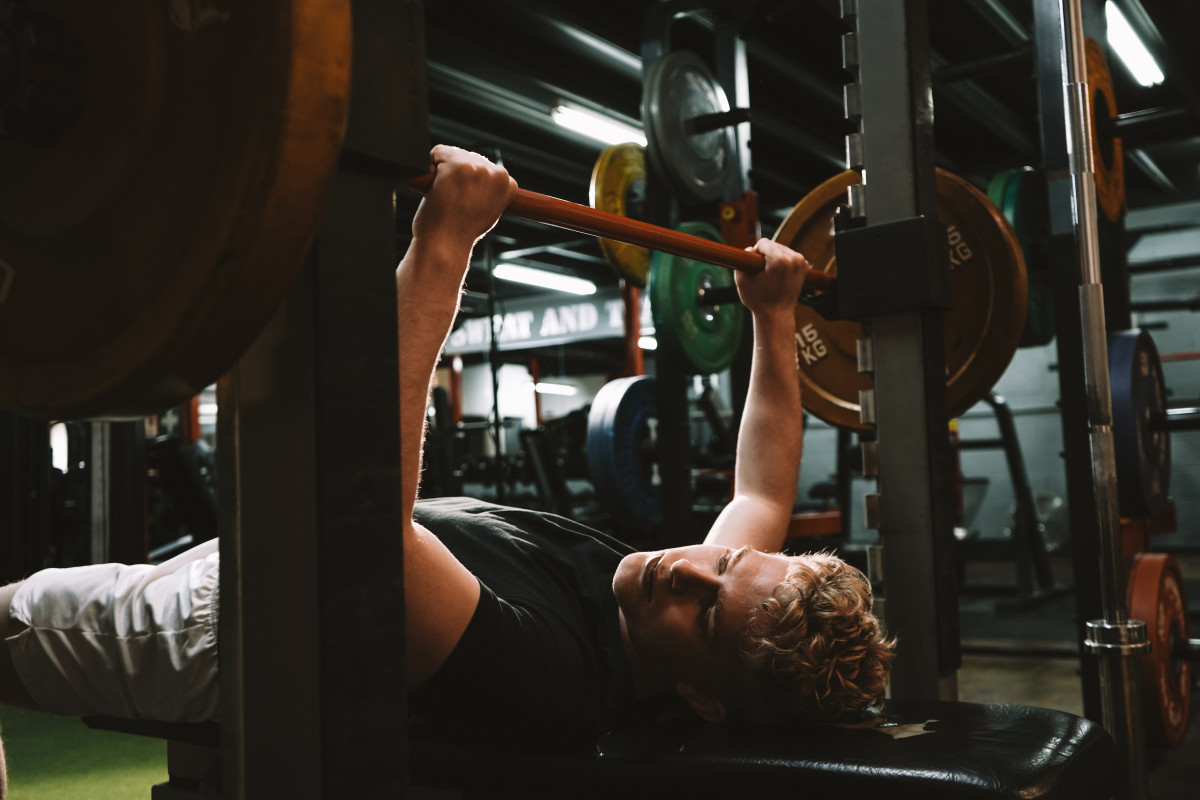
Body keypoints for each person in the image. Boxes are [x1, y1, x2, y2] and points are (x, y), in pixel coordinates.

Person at [0, 146, 893, 768]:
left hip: (227, 632)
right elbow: (761, 489)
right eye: (725, 561)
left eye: (705, 616)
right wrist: (773, 318)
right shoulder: (672, 610)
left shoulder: (551, 676)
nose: (683, 572)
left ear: (702, 700)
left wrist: (443, 245)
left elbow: (366, 538)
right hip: (267, 574)